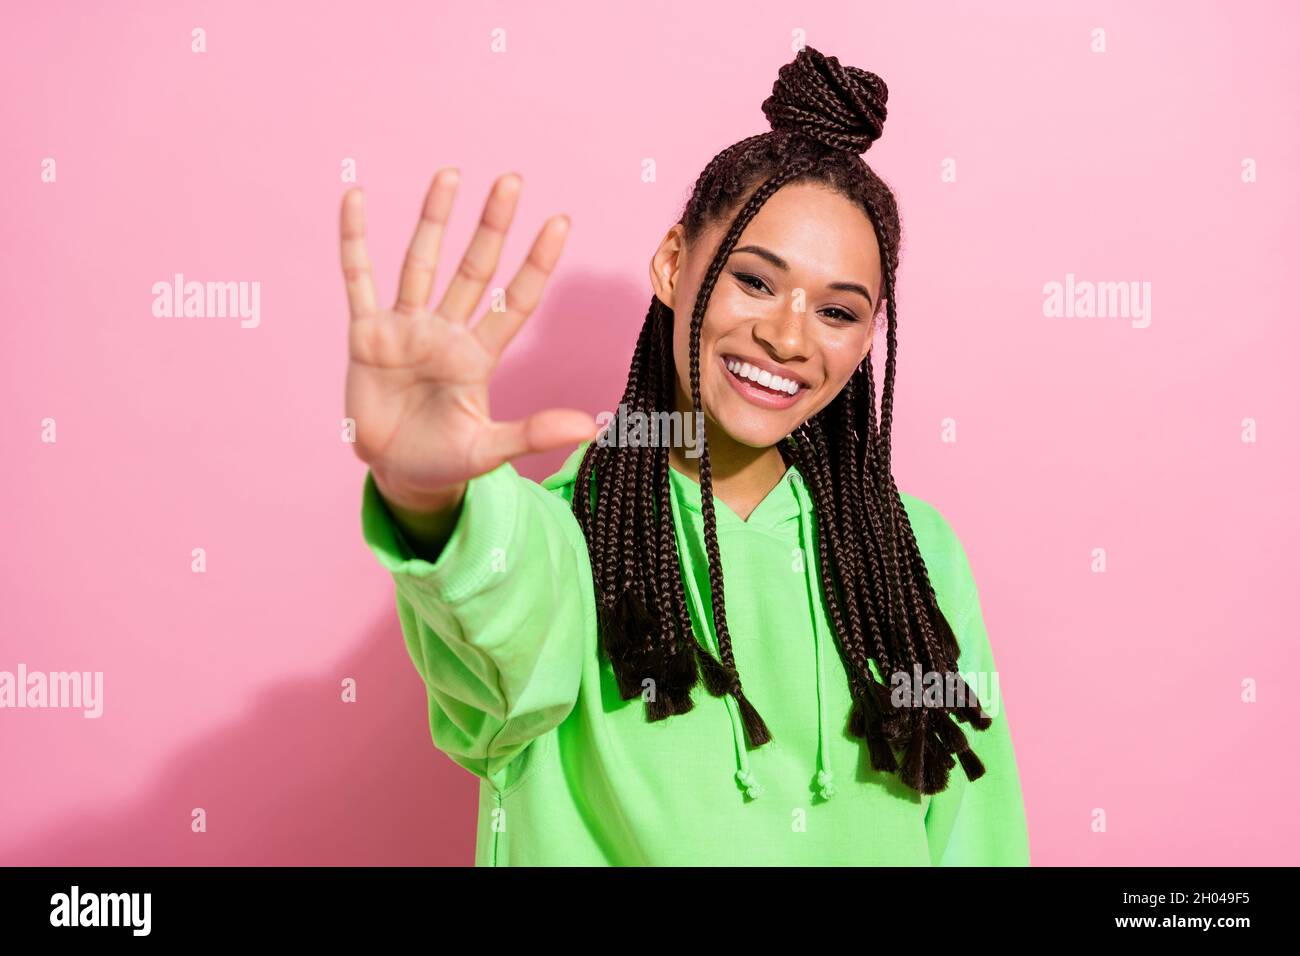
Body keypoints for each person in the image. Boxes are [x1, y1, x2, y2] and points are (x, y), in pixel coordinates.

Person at [340, 46, 1029, 865]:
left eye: (839, 312)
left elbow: (974, 841)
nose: (787, 338)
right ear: (674, 263)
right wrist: (424, 495)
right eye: (755, 281)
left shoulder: (915, 559)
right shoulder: (565, 539)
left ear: (869, 337)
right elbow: (495, 629)